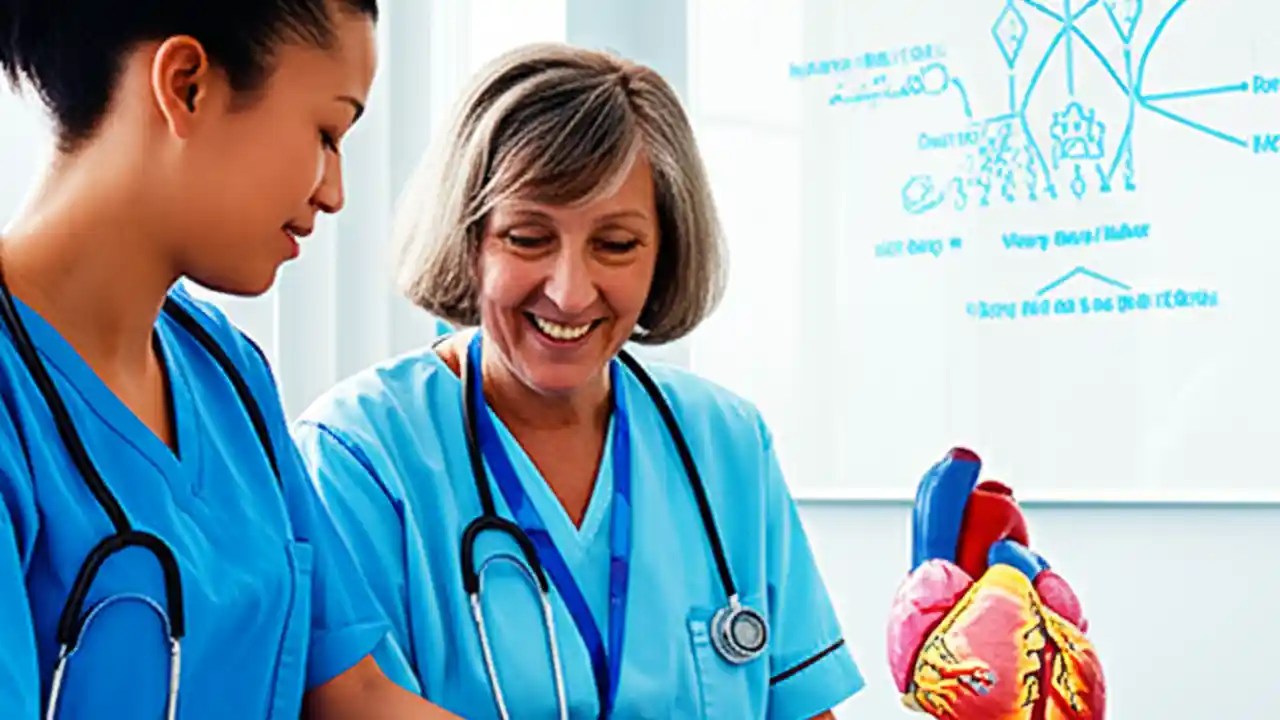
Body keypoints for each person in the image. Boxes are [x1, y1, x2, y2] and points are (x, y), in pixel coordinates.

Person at [293, 42, 866, 719]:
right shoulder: (361, 454)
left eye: (616, 245)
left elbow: (803, 708)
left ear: (666, 250)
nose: (569, 293)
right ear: (469, 241)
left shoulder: (727, 444)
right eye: (527, 238)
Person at [0, 1, 457, 717]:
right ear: (187, 85)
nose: (334, 192)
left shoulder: (228, 374)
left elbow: (352, 692)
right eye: (327, 133)